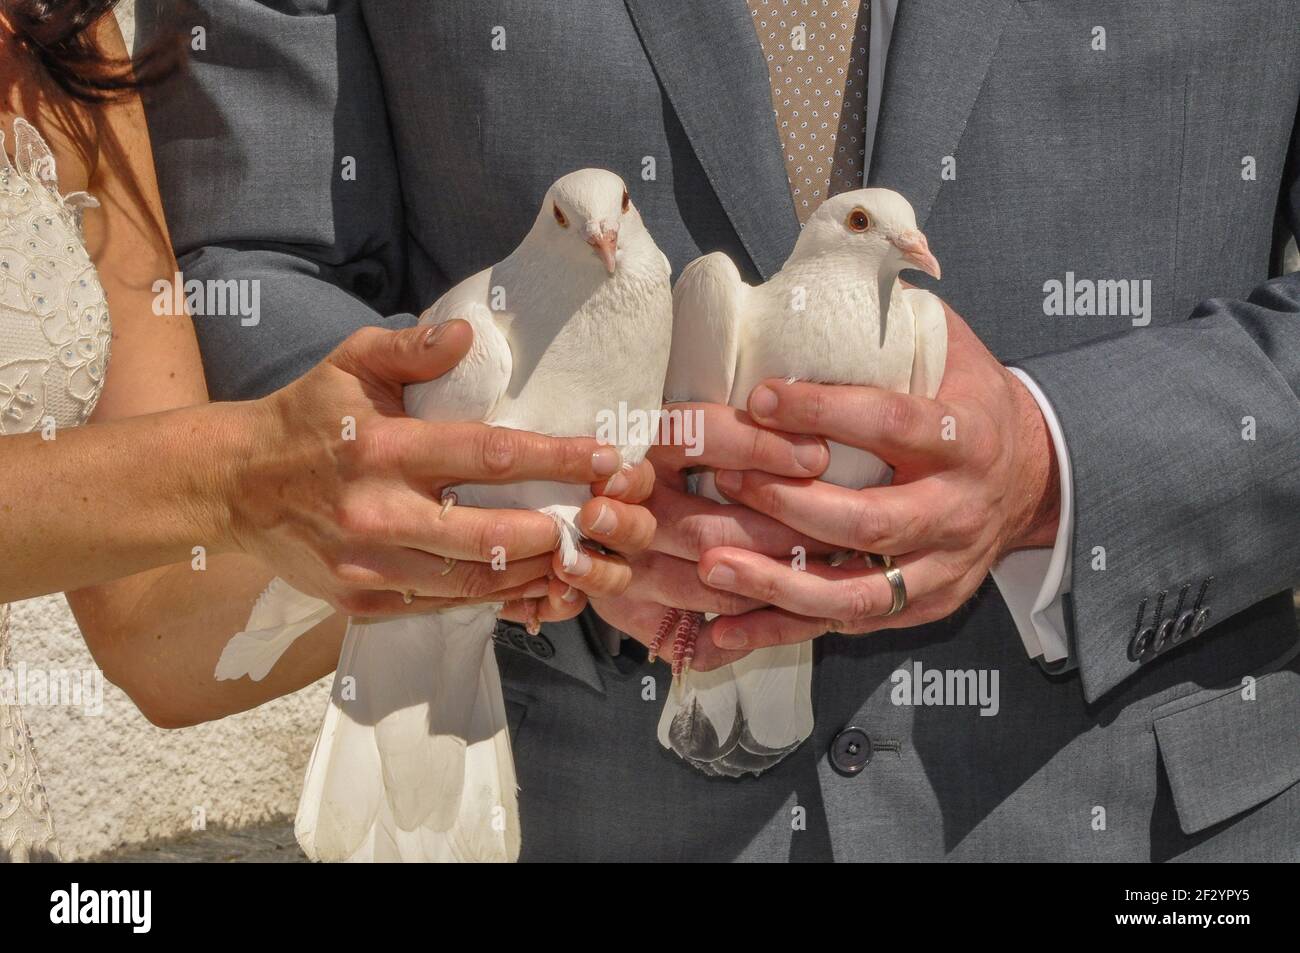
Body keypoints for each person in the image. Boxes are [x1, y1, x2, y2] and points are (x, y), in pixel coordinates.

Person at [142, 0, 1300, 860]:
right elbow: (261, 254)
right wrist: (522, 512)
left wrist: (1060, 466)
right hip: (582, 804)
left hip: (1150, 826)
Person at [0, 1, 654, 862]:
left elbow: (153, 626)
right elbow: (221, 485)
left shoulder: (59, 27)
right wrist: (241, 478)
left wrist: (477, 532)